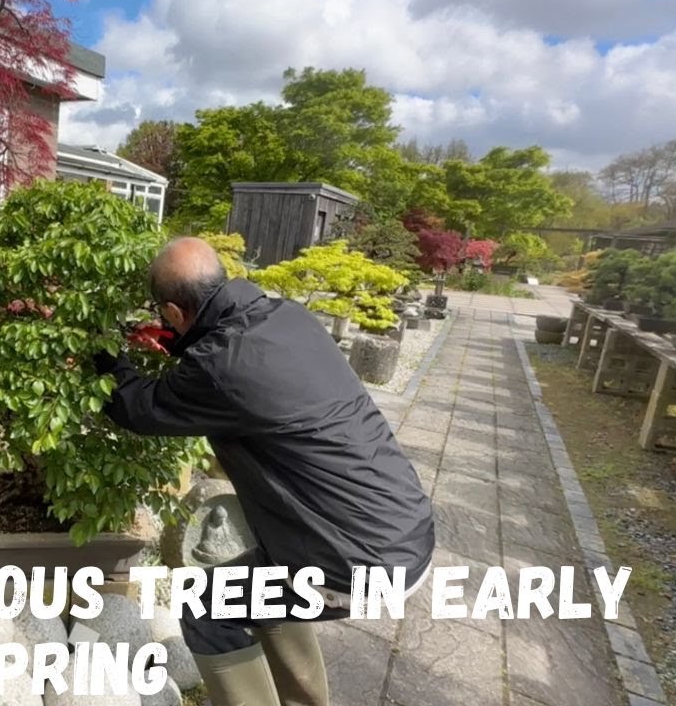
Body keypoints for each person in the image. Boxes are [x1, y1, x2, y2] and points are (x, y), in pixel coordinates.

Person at [94, 237, 434, 706]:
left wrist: (103, 354)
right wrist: (163, 337)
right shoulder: (289, 316)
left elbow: (138, 406)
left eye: (164, 316)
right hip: (404, 528)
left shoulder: (217, 368)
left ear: (173, 310)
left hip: (353, 560)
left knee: (205, 606)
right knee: (265, 582)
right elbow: (220, 347)